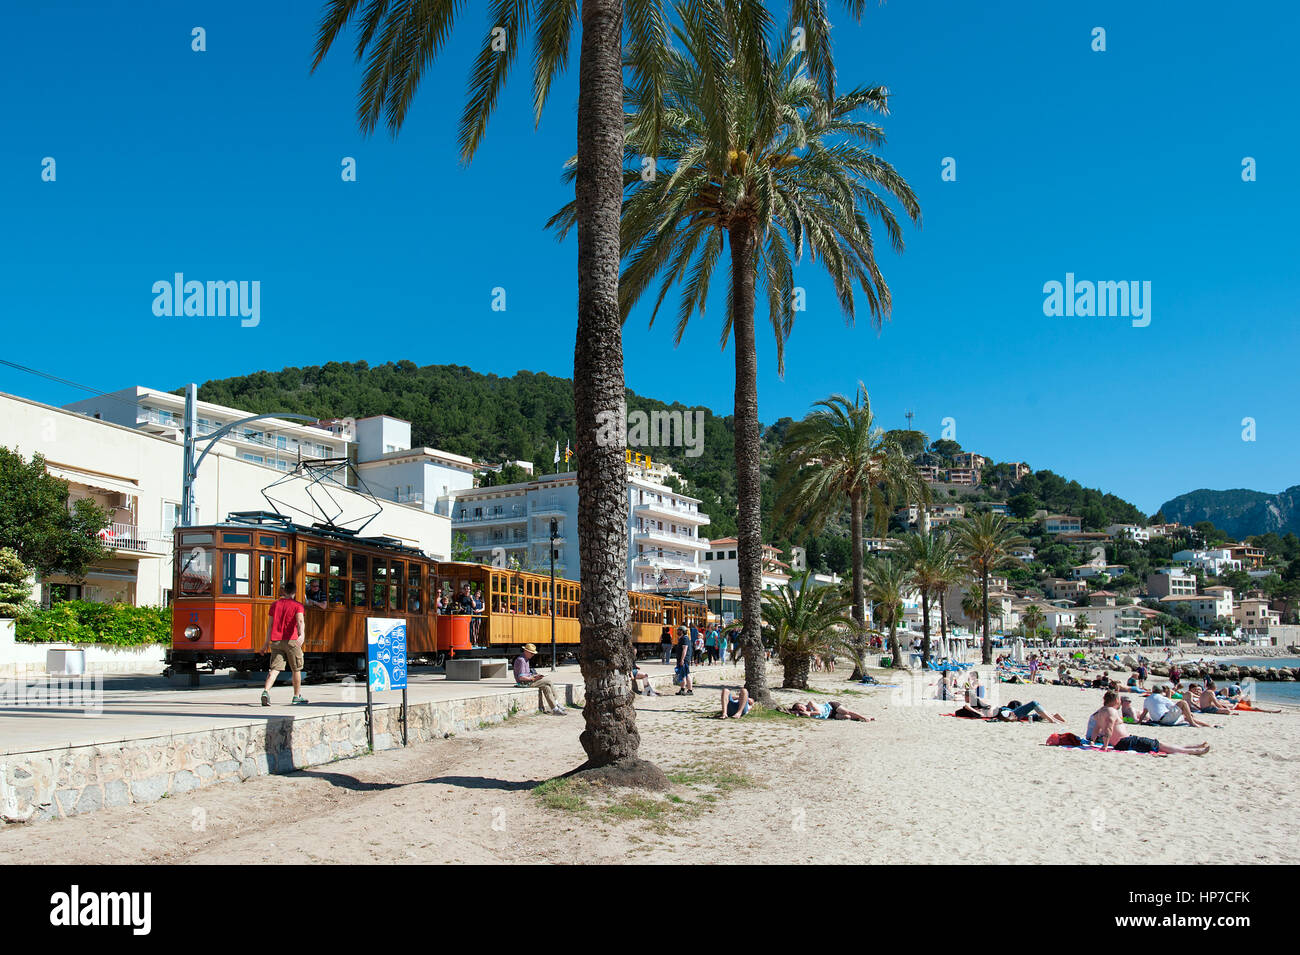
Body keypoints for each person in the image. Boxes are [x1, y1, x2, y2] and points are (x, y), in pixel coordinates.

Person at [1087, 691, 1210, 755]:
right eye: (1119, 700)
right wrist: (1104, 746)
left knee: (1159, 743)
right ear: (1115, 700)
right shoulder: (1111, 711)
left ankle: (1193, 747)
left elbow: (1096, 729)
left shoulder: (1099, 712)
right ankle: (1193, 751)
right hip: (1125, 742)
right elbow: (1108, 728)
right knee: (1158, 745)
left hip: (1125, 741)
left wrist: (1092, 741)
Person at [262, 581, 309, 706]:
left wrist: (266, 642)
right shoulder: (298, 606)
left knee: (275, 669)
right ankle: (296, 696)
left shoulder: (275, 605)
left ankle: (266, 691)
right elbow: (300, 621)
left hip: (276, 641)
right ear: (294, 592)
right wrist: (302, 635)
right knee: (296, 669)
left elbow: (270, 625)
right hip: (292, 641)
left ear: (284, 591)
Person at [514, 643, 564, 715]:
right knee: (548, 681)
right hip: (524, 683)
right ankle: (557, 703)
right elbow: (521, 677)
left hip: (528, 680)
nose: (533, 655)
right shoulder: (521, 660)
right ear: (526, 651)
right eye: (531, 653)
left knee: (546, 687)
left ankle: (555, 709)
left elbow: (526, 674)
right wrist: (533, 678)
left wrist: (535, 675)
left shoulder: (526, 659)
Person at [1140, 685, 1212, 728]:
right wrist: (1188, 713)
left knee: (1186, 717)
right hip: (1165, 719)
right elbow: (1174, 706)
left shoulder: (1147, 699)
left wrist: (1139, 721)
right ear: (1161, 691)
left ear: (1153, 691)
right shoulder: (1162, 698)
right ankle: (1194, 723)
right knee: (1183, 703)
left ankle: (1208, 725)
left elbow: (1144, 713)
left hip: (1158, 721)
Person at [790, 700, 874, 722]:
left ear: (802, 704)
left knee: (846, 712)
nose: (801, 708)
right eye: (799, 708)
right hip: (830, 715)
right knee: (847, 717)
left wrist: (809, 713)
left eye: (800, 706)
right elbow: (794, 713)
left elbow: (819, 712)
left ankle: (865, 718)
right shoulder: (803, 713)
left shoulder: (810, 703)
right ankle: (859, 719)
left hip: (831, 707)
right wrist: (796, 712)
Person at [996, 699, 1066, 723]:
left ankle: (1053, 718)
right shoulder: (1007, 710)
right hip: (1011, 714)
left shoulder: (1005, 709)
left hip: (1011, 714)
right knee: (1033, 703)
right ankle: (1052, 719)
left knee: (1035, 716)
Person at [673, 629, 693, 695]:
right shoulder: (683, 638)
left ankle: (690, 690)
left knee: (686, 674)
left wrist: (682, 660)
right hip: (683, 659)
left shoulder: (685, 639)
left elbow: (685, 649)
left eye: (679, 630)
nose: (677, 631)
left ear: (682, 631)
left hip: (684, 660)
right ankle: (682, 689)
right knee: (683, 674)